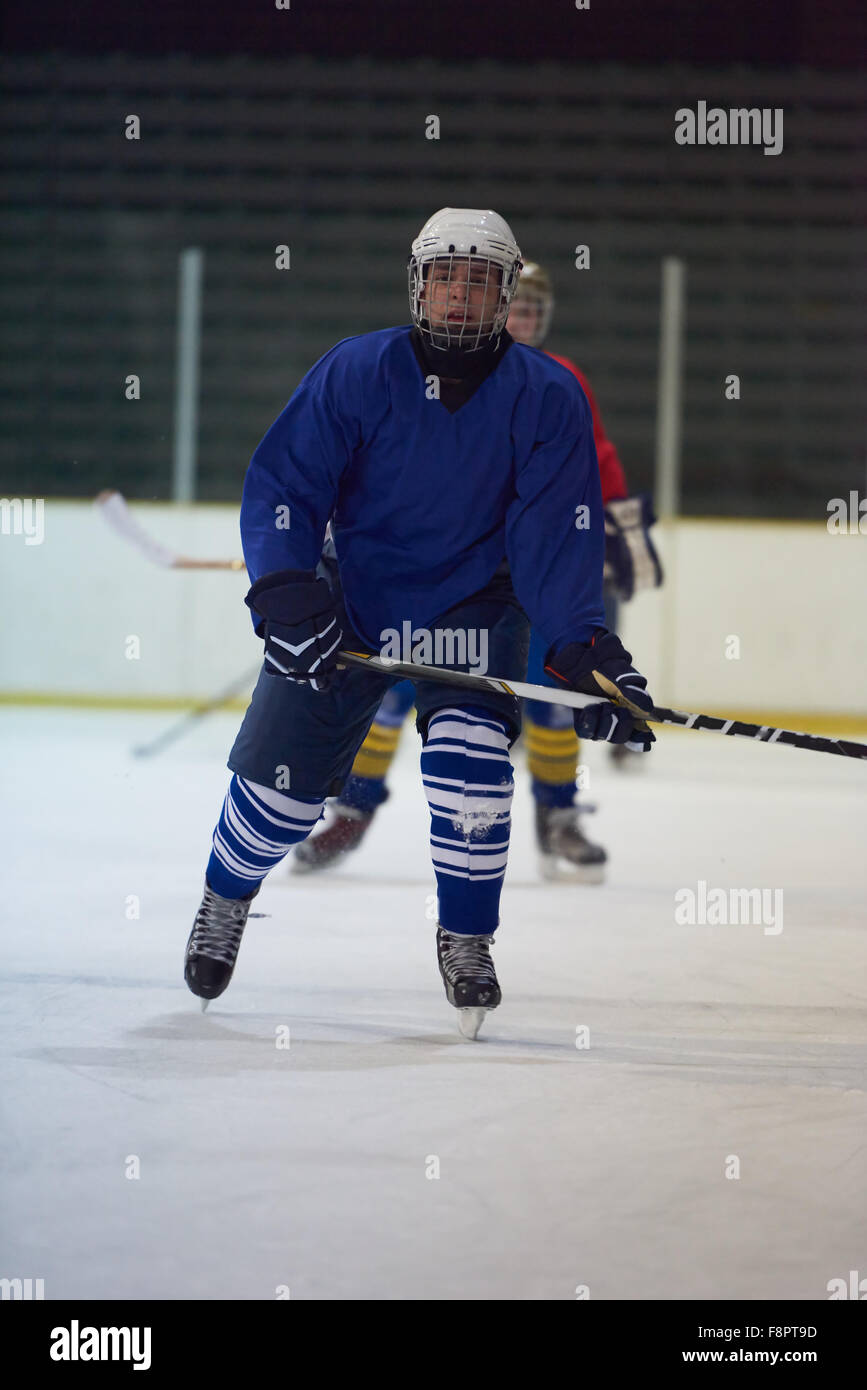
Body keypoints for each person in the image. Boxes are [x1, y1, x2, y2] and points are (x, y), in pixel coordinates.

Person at [183, 208, 655, 1039]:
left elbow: (552, 536)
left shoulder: (548, 395)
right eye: (446, 276)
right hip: (353, 606)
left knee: (471, 771)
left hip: (472, 606)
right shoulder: (356, 370)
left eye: (479, 280)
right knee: (276, 798)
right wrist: (288, 589)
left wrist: (580, 645)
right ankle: (224, 898)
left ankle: (466, 939)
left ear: (504, 293)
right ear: (419, 284)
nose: (459, 295)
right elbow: (287, 487)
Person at [292, 261, 662, 882]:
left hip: (529, 577)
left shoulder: (557, 379)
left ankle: (560, 817)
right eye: (513, 306)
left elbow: (595, 456)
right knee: (391, 693)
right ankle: (352, 810)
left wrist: (620, 530)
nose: (521, 319)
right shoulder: (426, 371)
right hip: (446, 576)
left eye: (529, 309)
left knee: (553, 698)